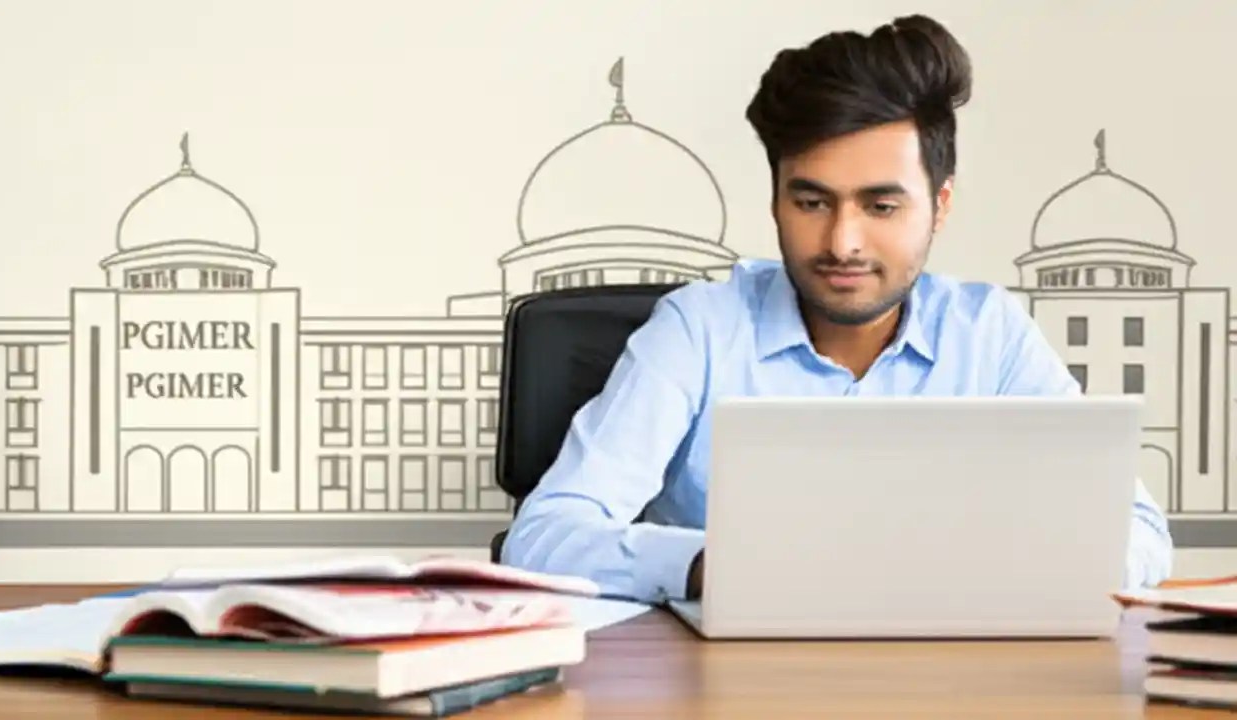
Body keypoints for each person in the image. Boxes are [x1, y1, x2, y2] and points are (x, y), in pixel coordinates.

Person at [499, 14, 1173, 603]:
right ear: (775, 200)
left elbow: (1139, 532)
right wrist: (714, 566)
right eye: (812, 202)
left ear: (939, 205)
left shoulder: (988, 333)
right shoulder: (699, 327)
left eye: (881, 206)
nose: (842, 242)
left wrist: (1021, 572)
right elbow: (546, 536)